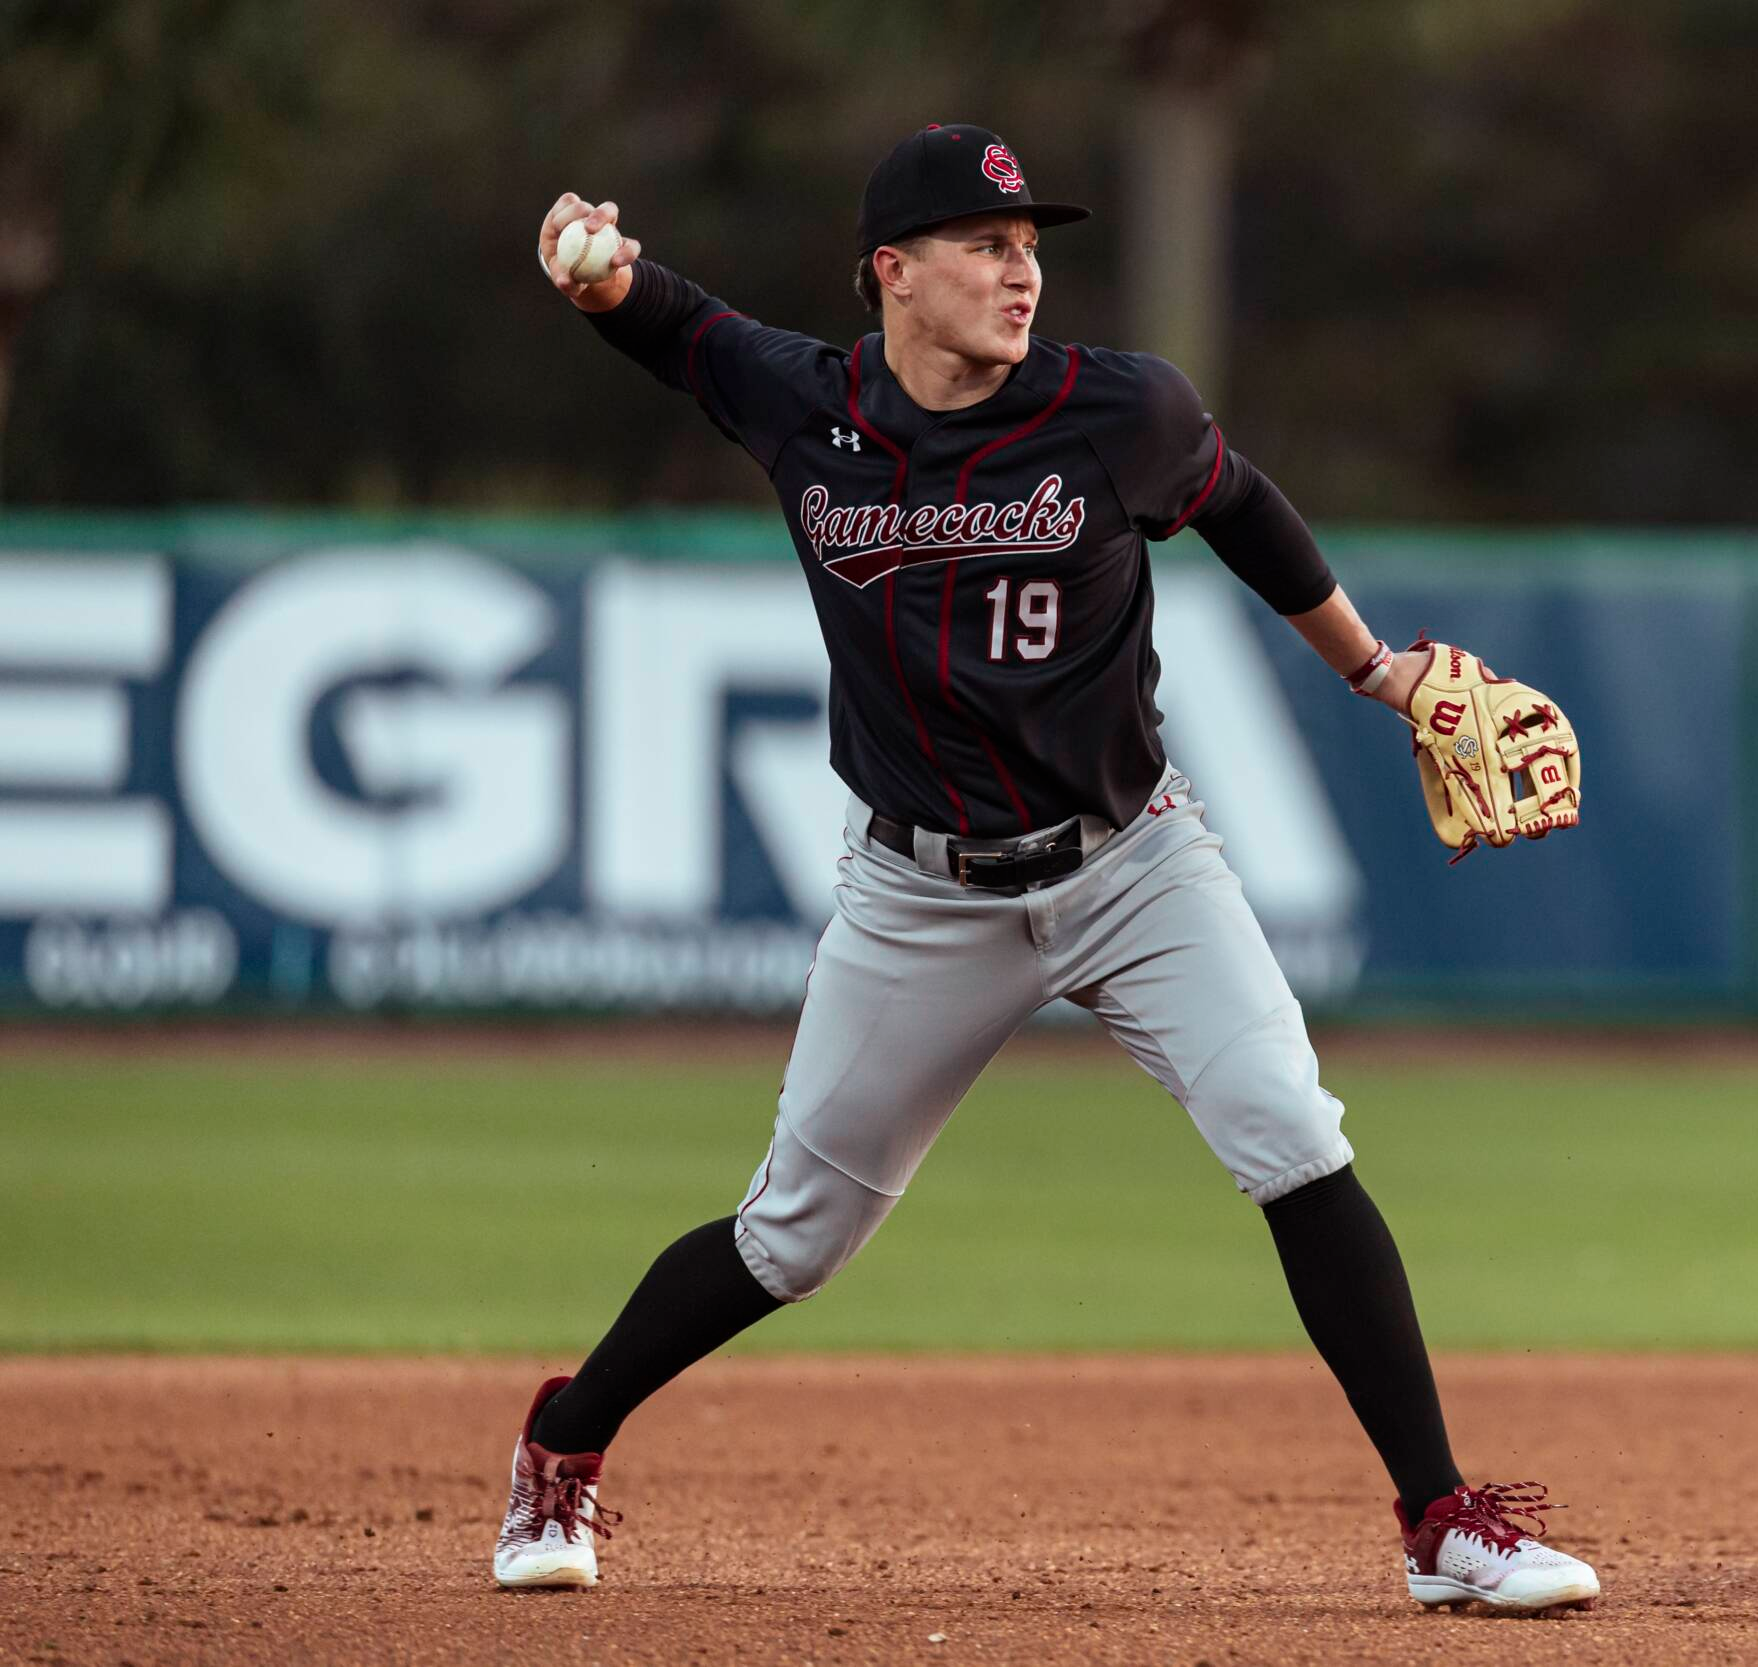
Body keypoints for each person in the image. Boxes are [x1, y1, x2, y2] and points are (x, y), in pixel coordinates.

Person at [493, 123, 1598, 1615]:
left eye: (1031, 249)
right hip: (919, 895)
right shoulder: (806, 405)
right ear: (892, 271)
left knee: (1289, 1127)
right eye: (985, 247)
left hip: (1133, 859)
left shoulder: (1115, 409)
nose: (1022, 274)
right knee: (793, 1236)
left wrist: (1382, 675)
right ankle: (564, 1439)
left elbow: (1246, 513)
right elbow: (673, 322)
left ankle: (1444, 1519)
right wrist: (595, 269)